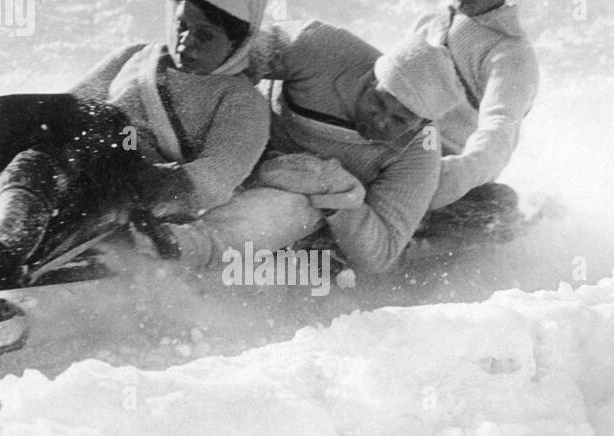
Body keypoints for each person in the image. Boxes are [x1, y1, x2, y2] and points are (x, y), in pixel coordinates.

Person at [0, 0, 271, 288]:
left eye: (206, 36)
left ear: (236, 44)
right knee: (40, 154)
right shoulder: (136, 57)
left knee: (108, 120)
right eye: (182, 25)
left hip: (131, 188)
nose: (186, 42)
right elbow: (63, 113)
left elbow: (216, 178)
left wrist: (145, 187)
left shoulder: (241, 101)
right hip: (79, 162)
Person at [158, 22, 468, 276]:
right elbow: (234, 53)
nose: (383, 121)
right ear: (371, 77)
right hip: (244, 142)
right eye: (378, 103)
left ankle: (179, 247)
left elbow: (379, 254)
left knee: (298, 205)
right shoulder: (324, 51)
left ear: (419, 124)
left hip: (300, 211)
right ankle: (131, 199)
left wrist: (335, 189)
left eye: (400, 119)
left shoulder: (419, 155)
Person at [408, 0, 539, 229]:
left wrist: (458, 175)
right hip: (393, 151)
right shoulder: (429, 24)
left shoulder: (511, 52)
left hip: (448, 170)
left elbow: (500, 125)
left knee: (496, 201)